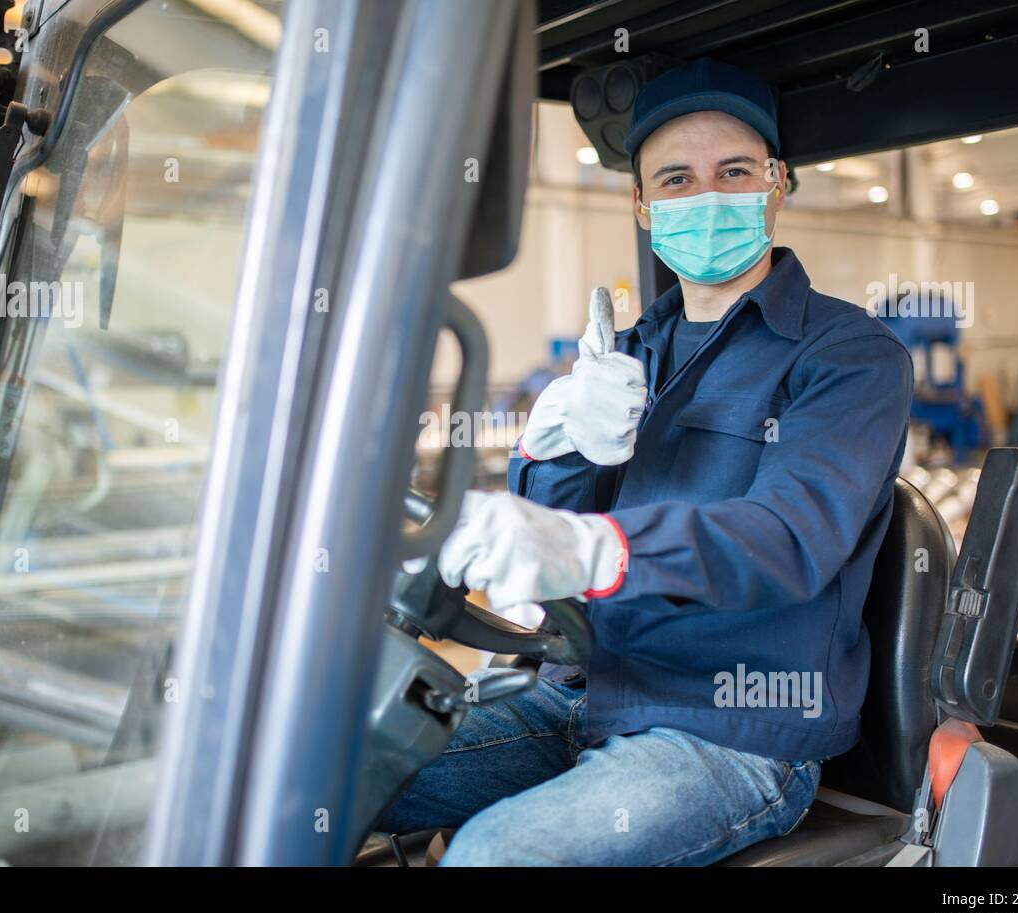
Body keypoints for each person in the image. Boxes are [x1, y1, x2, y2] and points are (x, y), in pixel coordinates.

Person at [379, 57, 913, 866]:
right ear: (642, 203)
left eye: (732, 170)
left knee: (495, 857)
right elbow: (554, 536)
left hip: (729, 730)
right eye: (676, 178)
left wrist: (602, 549)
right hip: (577, 695)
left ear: (776, 183)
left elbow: (791, 537)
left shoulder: (848, 357)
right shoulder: (629, 353)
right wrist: (549, 445)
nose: (706, 195)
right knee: (317, 760)